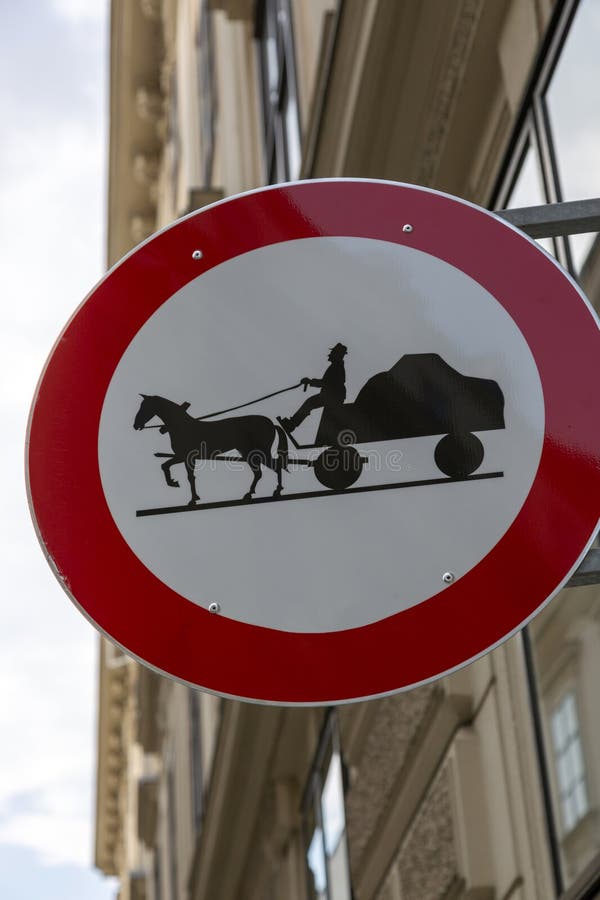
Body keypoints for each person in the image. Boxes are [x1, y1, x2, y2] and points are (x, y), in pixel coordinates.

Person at [280, 343, 347, 433]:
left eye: (332, 353)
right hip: (333, 396)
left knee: (309, 403)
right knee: (310, 403)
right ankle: (292, 424)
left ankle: (291, 425)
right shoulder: (336, 366)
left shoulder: (336, 367)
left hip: (333, 396)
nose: (330, 355)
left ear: (336, 354)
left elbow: (325, 383)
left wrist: (310, 381)